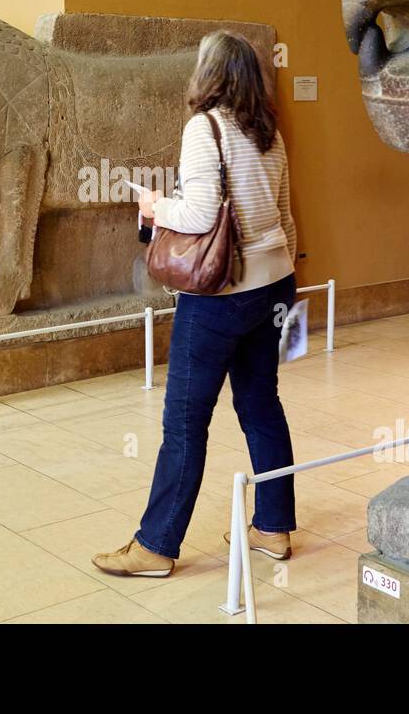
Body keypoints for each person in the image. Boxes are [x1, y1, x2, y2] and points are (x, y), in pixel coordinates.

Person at [93, 30, 298, 577]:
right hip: (273, 285)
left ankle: (156, 546)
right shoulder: (270, 133)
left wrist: (157, 206)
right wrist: (280, 274)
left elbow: (202, 216)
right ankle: (273, 528)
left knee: (184, 421)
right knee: (261, 406)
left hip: (221, 297)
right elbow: (285, 215)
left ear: (209, 75)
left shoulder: (204, 129)